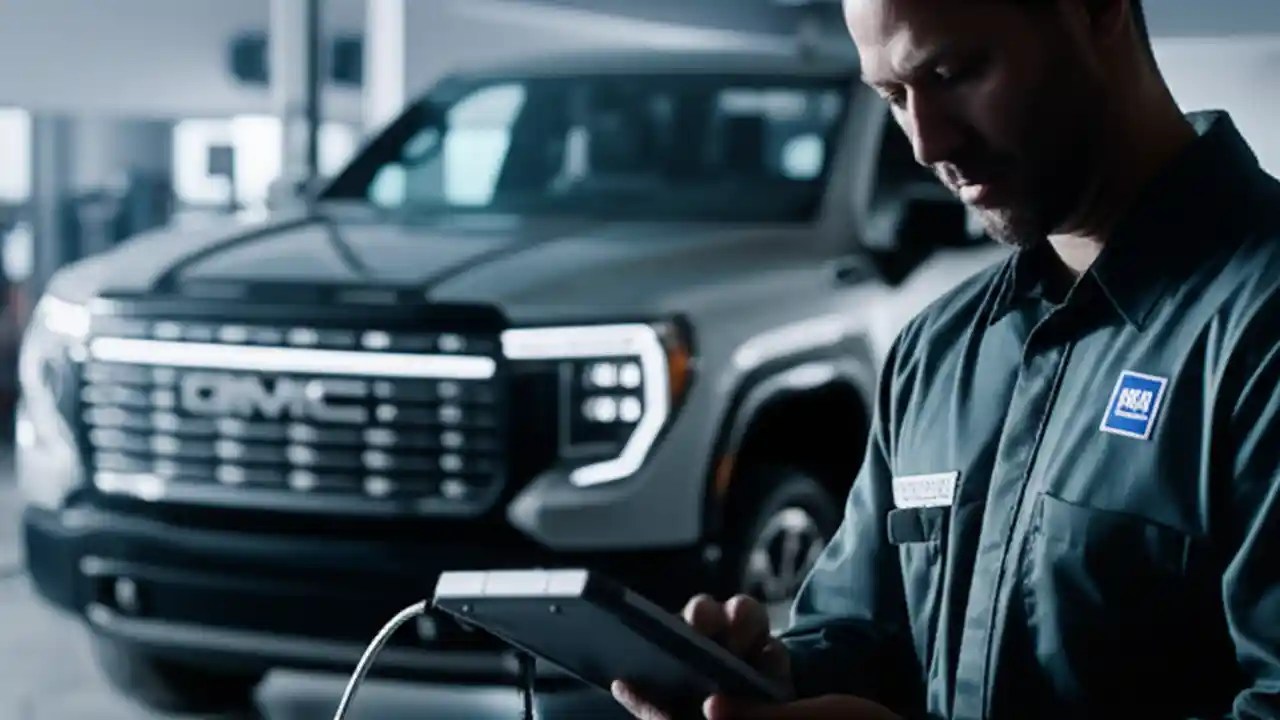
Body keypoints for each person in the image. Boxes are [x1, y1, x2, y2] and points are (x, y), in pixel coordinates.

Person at [613, 0, 1280, 717]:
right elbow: (862, 636)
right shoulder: (937, 352)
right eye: (893, 96)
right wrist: (768, 683)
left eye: (954, 72)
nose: (926, 144)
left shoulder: (1260, 328)